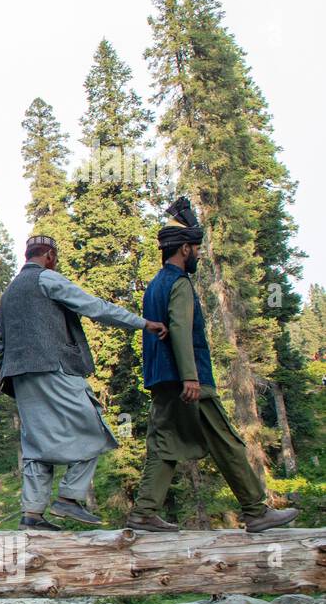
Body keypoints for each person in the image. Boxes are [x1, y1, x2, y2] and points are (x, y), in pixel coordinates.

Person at [126, 198, 298, 533]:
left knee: (164, 444)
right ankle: (255, 510)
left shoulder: (154, 286)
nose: (199, 255)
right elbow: (178, 329)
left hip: (161, 379)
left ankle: (144, 512)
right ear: (184, 249)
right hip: (189, 380)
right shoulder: (179, 284)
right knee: (227, 441)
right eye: (197, 249)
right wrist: (190, 376)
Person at [0, 235, 168, 530]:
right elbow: (94, 307)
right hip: (54, 367)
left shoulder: (9, 293)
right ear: (48, 255)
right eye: (55, 257)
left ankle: (32, 516)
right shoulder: (47, 279)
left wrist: (15, 366)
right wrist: (143, 323)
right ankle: (70, 498)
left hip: (20, 377)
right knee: (93, 428)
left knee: (36, 445)